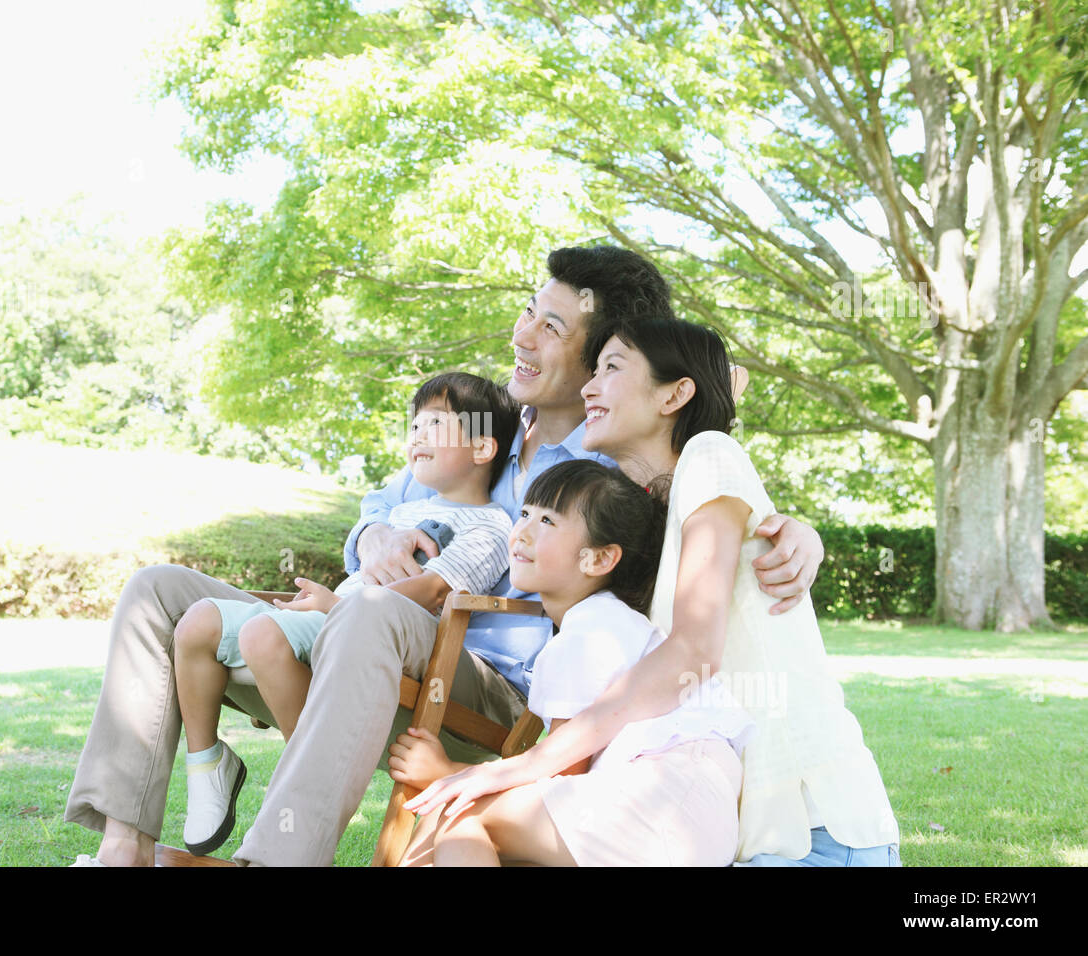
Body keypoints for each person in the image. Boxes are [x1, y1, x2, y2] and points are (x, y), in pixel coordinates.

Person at [63, 244, 827, 867]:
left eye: (551, 328)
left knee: (370, 608)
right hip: (367, 636)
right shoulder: (486, 417)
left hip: (493, 682)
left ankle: (279, 861)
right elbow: (382, 503)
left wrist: (794, 530)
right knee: (159, 590)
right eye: (530, 309)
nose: (522, 335)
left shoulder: (609, 452)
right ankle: (124, 844)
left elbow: (704, 474)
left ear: (603, 360)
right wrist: (376, 537)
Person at [405, 314, 901, 867]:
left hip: (816, 834)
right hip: (731, 838)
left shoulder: (710, 455)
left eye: (611, 368)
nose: (589, 385)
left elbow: (693, 650)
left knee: (471, 821)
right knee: (462, 833)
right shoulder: (651, 528)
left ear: (676, 395)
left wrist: (521, 766)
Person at [168, 372, 520, 855]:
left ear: (483, 449)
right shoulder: (395, 516)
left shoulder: (492, 524)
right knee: (197, 621)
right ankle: (208, 765)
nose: (417, 435)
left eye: (435, 424)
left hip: (365, 630)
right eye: (414, 425)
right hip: (328, 616)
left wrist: (335, 606)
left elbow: (437, 591)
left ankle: (303, 789)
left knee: (260, 638)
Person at [391, 459, 755, 865]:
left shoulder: (590, 629)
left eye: (547, 521)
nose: (522, 532)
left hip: (658, 803)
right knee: (459, 820)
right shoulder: (609, 624)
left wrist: (445, 771)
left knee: (454, 810)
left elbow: (566, 772)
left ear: (598, 560)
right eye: (525, 513)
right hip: (687, 818)